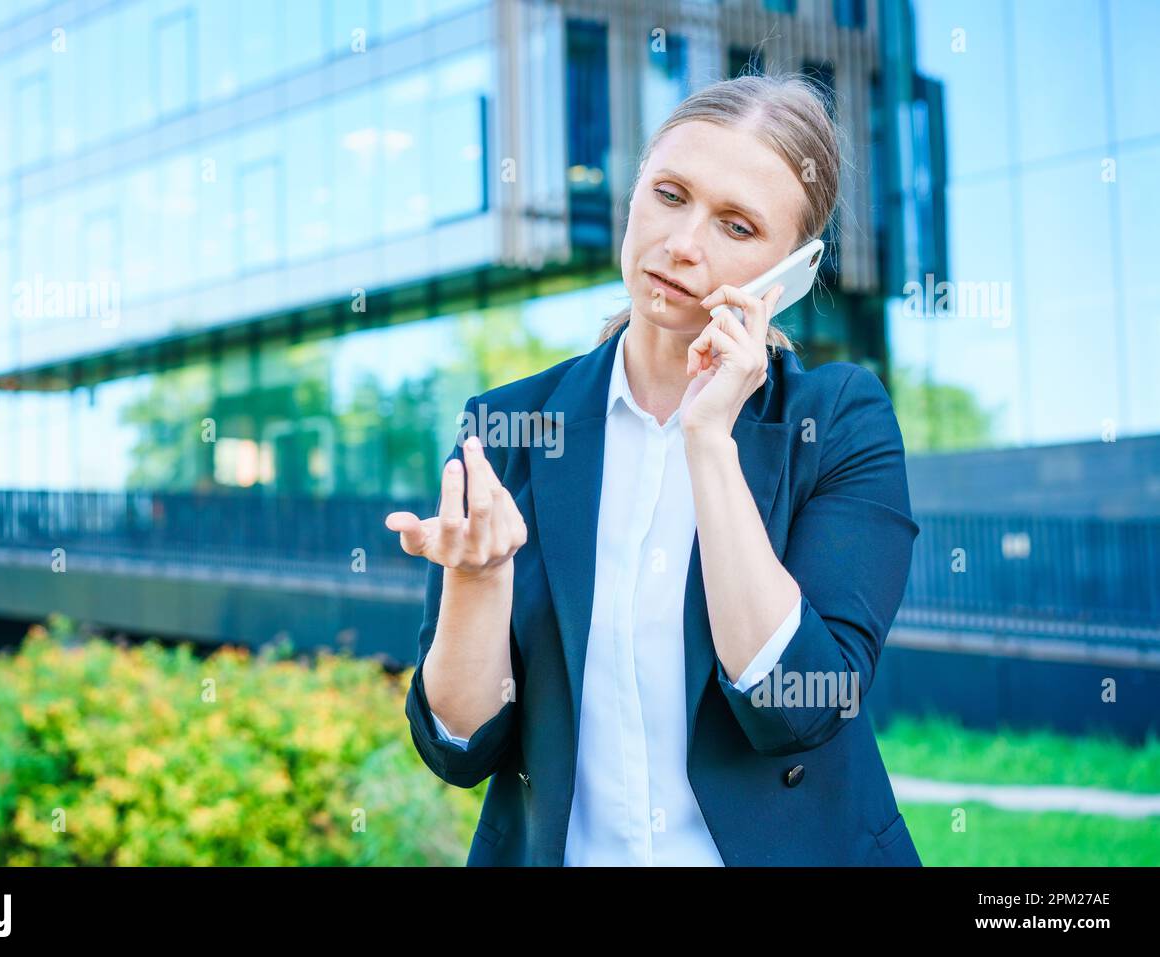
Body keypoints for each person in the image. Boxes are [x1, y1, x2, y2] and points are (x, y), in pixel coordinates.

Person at [385, 73, 922, 866]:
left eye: (737, 226)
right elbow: (460, 749)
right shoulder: (509, 428)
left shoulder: (840, 421)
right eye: (670, 195)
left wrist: (709, 439)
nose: (685, 244)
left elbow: (796, 703)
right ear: (635, 195)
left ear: (794, 271)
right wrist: (479, 577)